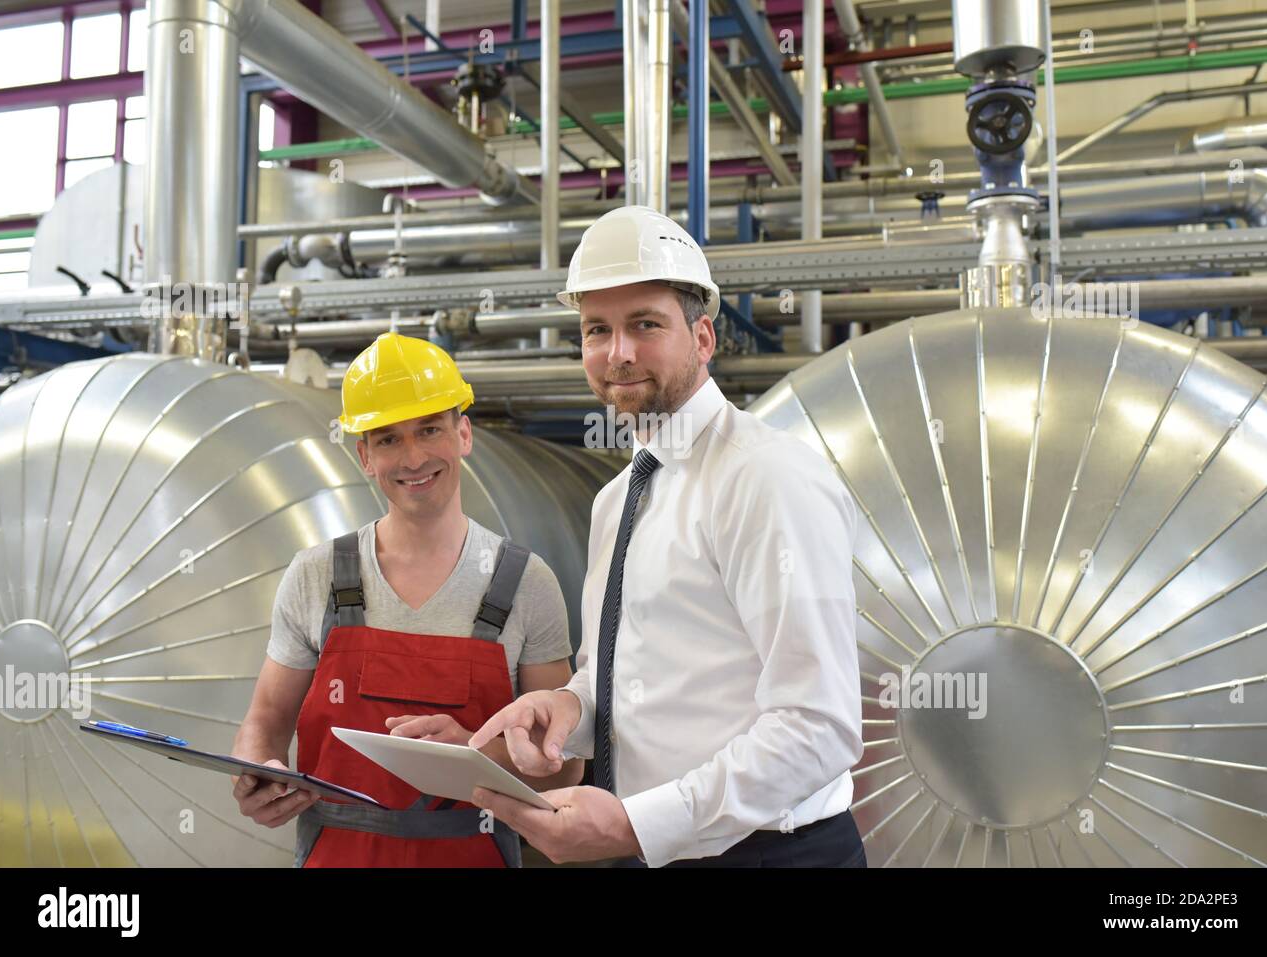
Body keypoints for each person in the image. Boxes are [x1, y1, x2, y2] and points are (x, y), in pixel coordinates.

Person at [469, 206, 867, 868]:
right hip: (654, 845)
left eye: (645, 325)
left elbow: (818, 726)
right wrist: (569, 703)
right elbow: (632, 664)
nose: (617, 352)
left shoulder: (765, 477)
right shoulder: (616, 499)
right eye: (597, 329)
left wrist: (639, 824)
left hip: (768, 854)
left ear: (704, 337)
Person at [231, 332, 582, 867]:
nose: (413, 457)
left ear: (463, 433)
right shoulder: (316, 576)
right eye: (388, 439)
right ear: (365, 456)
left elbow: (565, 766)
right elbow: (266, 720)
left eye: (429, 429)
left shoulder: (525, 584)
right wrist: (258, 770)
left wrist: (474, 750)